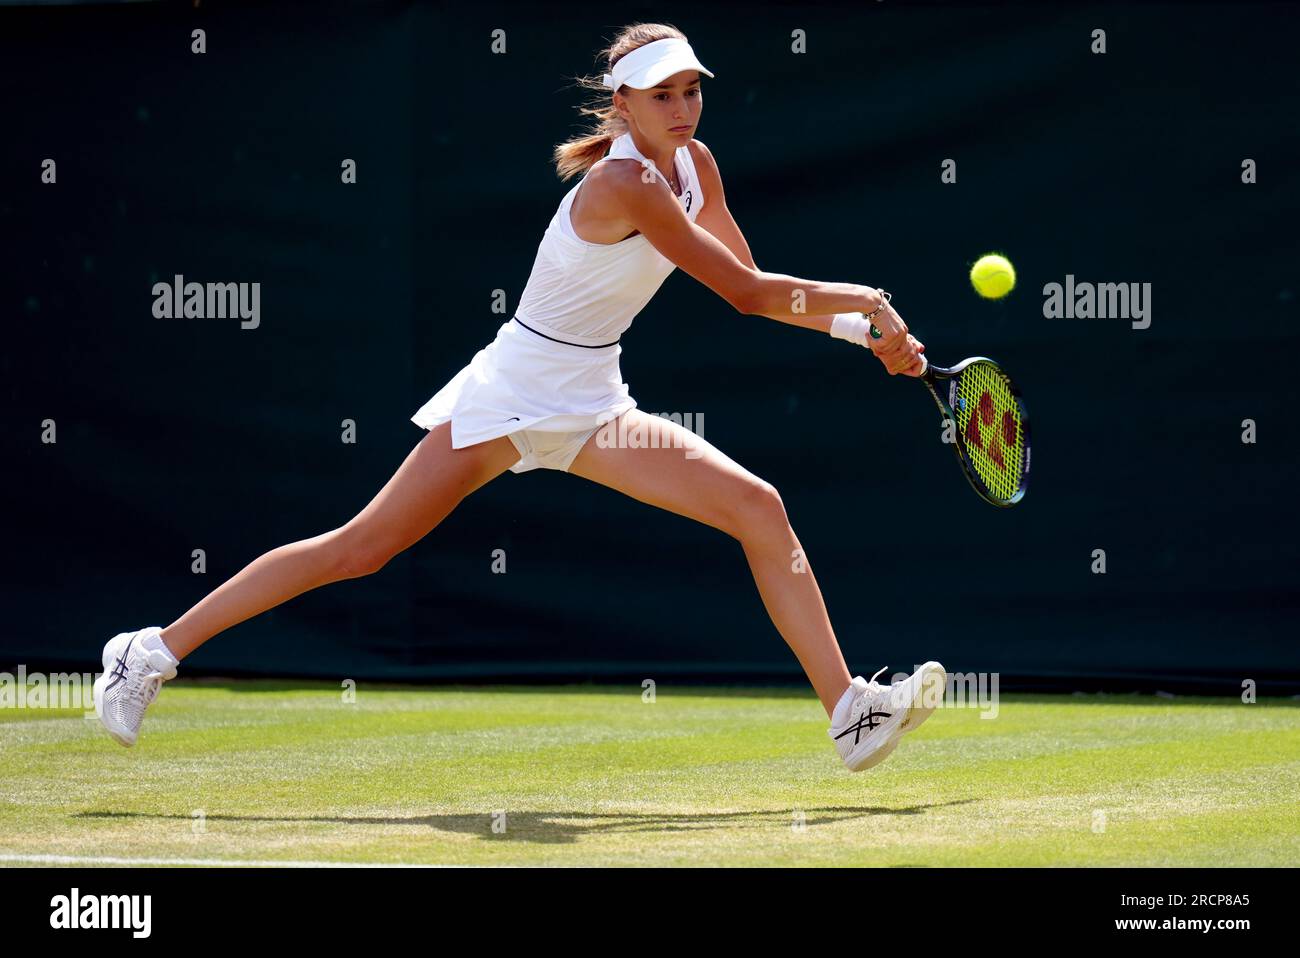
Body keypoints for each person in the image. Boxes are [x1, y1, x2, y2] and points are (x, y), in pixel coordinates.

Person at [94, 23, 946, 772]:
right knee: (361, 547)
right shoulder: (627, 186)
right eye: (663, 94)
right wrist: (866, 303)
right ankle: (149, 652)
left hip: (594, 403)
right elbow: (747, 295)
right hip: (515, 393)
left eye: (692, 90)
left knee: (759, 509)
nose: (683, 108)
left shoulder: (694, 167)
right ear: (624, 102)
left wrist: (856, 337)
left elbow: (757, 283)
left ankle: (850, 715)